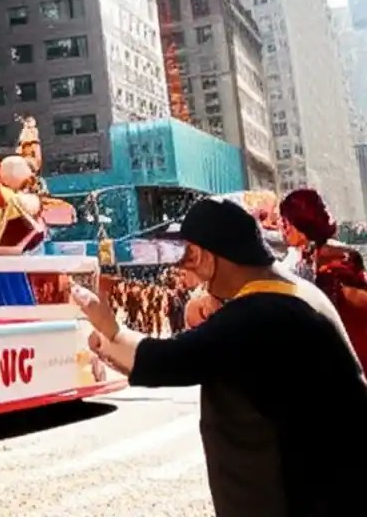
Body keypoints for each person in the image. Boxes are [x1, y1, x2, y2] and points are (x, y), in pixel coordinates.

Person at [71, 197, 367, 517]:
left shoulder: (258, 314)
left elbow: (165, 361)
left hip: (293, 498)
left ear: (206, 257)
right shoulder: (294, 292)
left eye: (188, 255)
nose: (184, 268)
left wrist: (110, 329)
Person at [279, 188, 367, 365]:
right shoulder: (302, 257)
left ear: (299, 223)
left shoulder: (332, 262)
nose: (283, 227)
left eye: (286, 221)